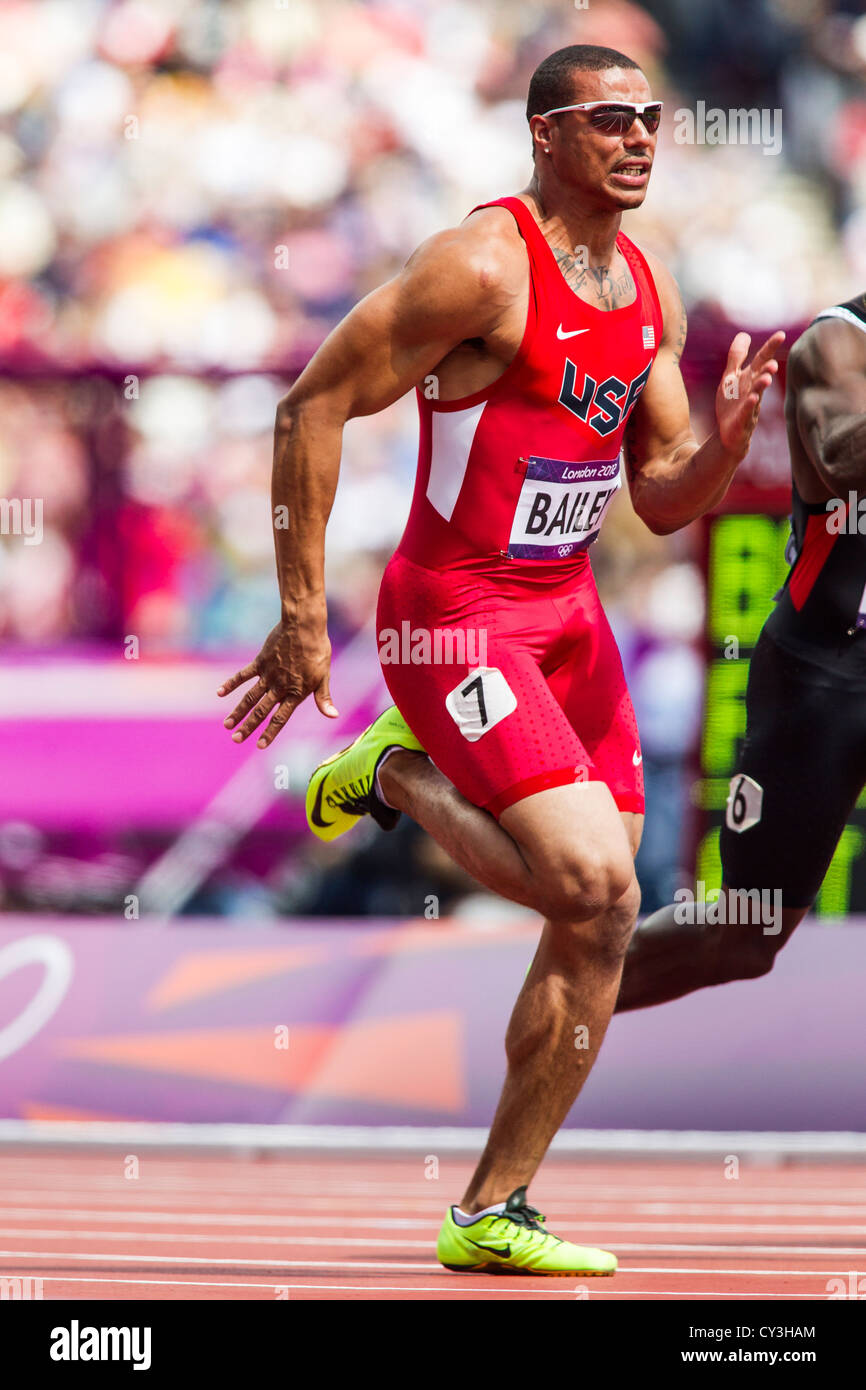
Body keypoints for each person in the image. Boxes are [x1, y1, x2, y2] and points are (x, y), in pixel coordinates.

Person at [218, 44, 782, 1276]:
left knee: (600, 918)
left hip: (568, 619)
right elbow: (307, 406)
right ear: (544, 135)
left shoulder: (648, 287)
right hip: (454, 615)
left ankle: (489, 1207)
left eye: (650, 117)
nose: (639, 137)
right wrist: (303, 614)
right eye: (610, 118)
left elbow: (663, 499)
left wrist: (727, 446)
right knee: (593, 886)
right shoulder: (479, 264)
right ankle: (391, 774)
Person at [615, 292, 866, 1012]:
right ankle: (562, 999)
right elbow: (844, 458)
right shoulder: (837, 343)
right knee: (743, 936)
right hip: (826, 676)